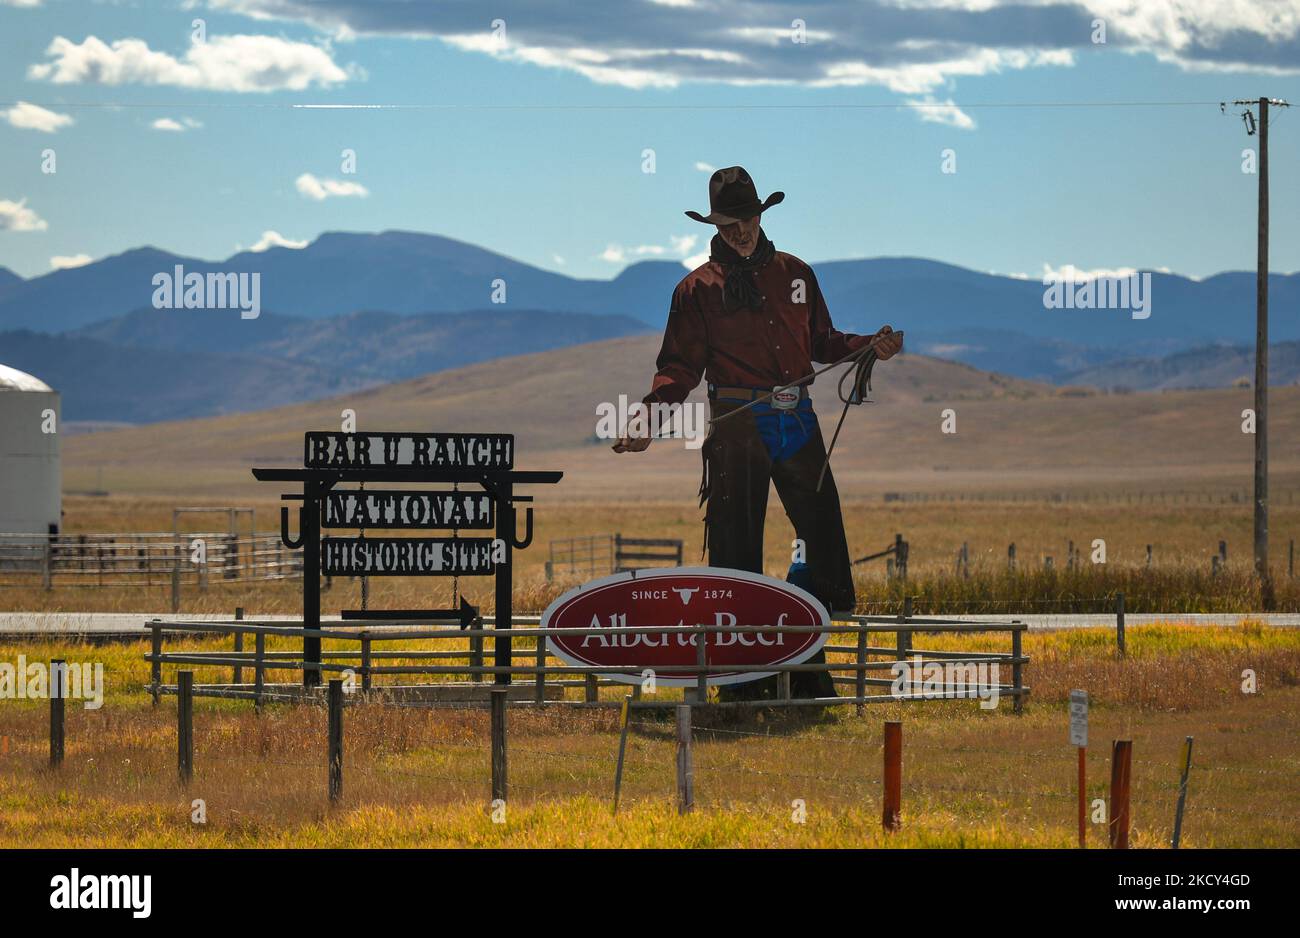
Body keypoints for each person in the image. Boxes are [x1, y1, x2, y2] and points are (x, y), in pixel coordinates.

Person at [614, 166, 902, 700]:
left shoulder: (797, 274)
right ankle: (742, 685)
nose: (739, 231)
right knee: (734, 555)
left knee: (825, 545)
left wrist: (869, 344)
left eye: (745, 219)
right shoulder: (695, 289)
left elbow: (823, 340)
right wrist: (648, 420)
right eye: (728, 224)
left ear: (760, 216)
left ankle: (806, 671)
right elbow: (679, 369)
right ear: (715, 225)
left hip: (798, 420)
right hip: (737, 425)